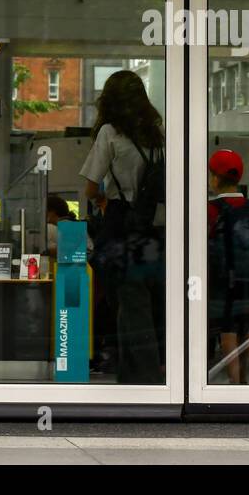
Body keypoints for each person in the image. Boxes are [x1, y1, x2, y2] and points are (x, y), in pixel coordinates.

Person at [79, 70, 165, 384]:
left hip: (121, 224)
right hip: (155, 226)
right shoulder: (158, 132)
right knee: (148, 300)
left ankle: (141, 375)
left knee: (129, 302)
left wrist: (103, 197)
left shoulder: (110, 133)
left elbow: (90, 187)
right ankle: (140, 370)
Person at [206, 149, 249, 384]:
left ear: (215, 178)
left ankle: (234, 381)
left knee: (227, 329)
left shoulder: (211, 209)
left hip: (223, 277)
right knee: (244, 328)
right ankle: (243, 378)